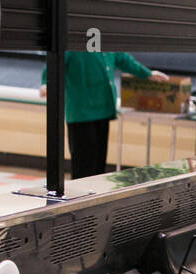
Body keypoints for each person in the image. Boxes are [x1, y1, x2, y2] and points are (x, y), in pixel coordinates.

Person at [40, 52, 169, 180]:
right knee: (84, 167)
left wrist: (147, 74)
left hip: (103, 110)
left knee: (98, 166)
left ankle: (96, 199)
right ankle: (82, 199)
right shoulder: (74, 42)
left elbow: (123, 59)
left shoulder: (104, 40)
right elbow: (55, 61)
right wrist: (47, 82)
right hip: (81, 113)